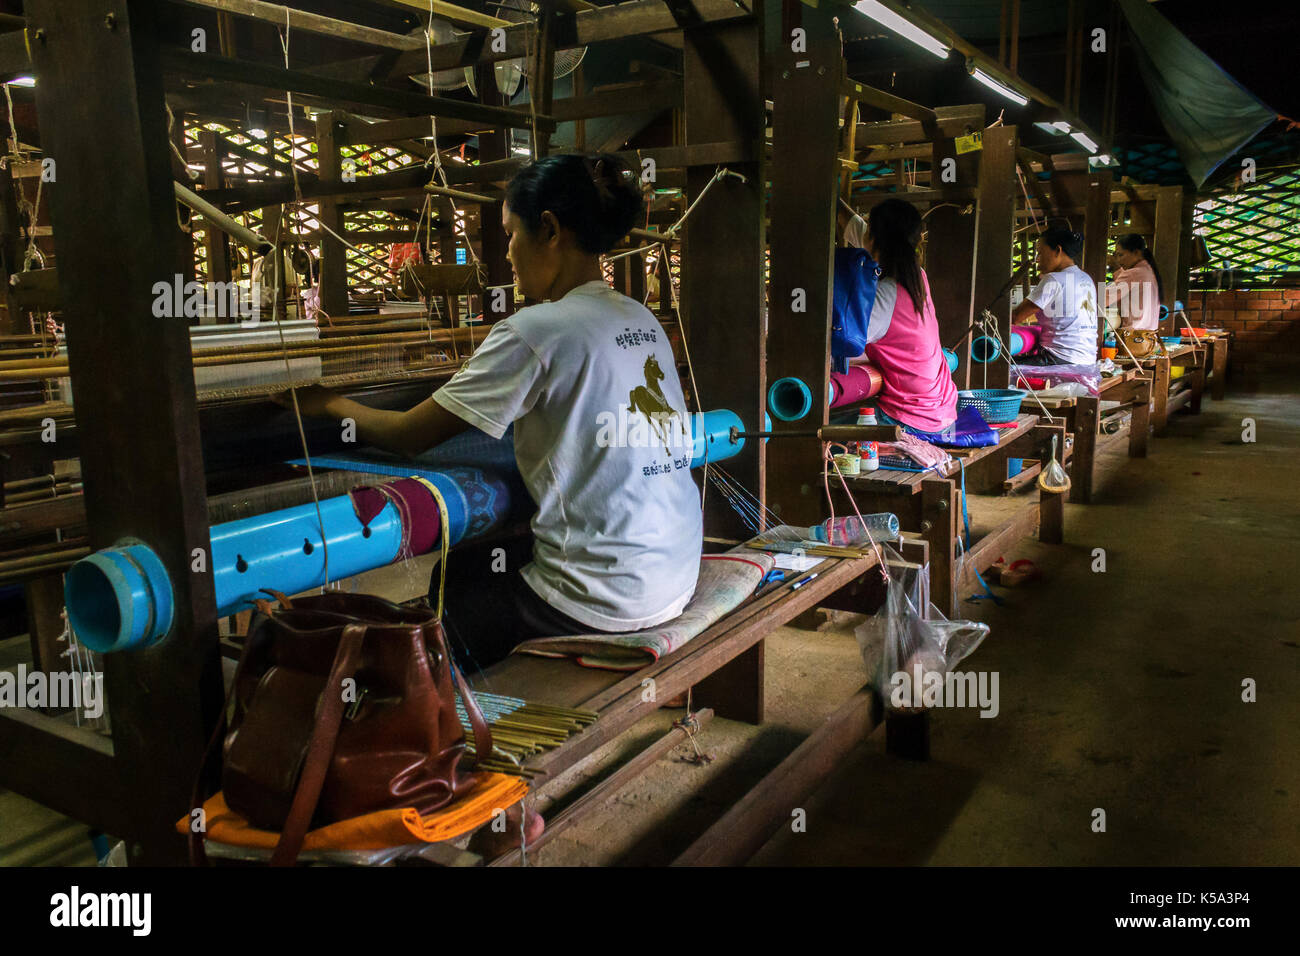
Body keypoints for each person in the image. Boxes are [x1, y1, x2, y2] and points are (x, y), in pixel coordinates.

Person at [283, 152, 703, 671]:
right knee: (475, 565)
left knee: (447, 601)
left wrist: (326, 403)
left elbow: (409, 436)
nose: (506, 254)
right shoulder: (640, 318)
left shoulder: (538, 329)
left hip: (603, 603)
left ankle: (460, 720)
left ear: (549, 229)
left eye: (510, 234)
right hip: (674, 576)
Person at [840, 198, 957, 433]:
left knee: (815, 432)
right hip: (942, 411)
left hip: (911, 420)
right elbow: (863, 231)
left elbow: (846, 345)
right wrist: (831, 197)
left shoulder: (884, 294)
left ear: (873, 239)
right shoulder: (917, 277)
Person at [1012, 227, 1099, 366]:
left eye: (1040, 253)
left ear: (1058, 250)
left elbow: (1016, 317)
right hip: (1086, 358)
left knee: (997, 366)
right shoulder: (1085, 278)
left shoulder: (1054, 279)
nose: (1037, 259)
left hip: (1057, 358)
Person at [1105, 233, 1163, 331]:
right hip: (1147, 338)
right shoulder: (1147, 271)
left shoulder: (1134, 273)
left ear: (1136, 253)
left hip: (1132, 337)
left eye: (1121, 255)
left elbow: (1103, 299)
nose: (1118, 260)